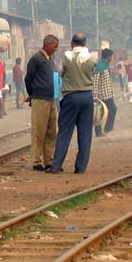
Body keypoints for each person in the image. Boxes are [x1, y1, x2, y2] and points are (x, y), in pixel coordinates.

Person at [47, 33, 97, 174]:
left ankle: (56, 165)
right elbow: (91, 71)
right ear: (85, 43)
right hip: (87, 97)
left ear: (72, 43)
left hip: (71, 97)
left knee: (64, 132)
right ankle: (80, 167)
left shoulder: (66, 58)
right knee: (85, 133)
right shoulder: (92, 59)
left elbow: (62, 72)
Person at [24, 35, 60, 171]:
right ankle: (36, 161)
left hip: (51, 99)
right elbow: (28, 78)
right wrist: (31, 94)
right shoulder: (36, 59)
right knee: (39, 131)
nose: (56, 49)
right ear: (48, 44)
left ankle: (49, 160)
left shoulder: (50, 60)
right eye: (55, 46)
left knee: (51, 132)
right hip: (40, 99)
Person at [93, 48, 117, 137]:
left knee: (111, 110)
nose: (112, 58)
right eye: (111, 56)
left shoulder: (106, 66)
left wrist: (112, 93)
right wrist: (95, 95)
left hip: (107, 94)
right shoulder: (99, 67)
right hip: (101, 95)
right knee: (99, 113)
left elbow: (108, 82)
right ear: (108, 57)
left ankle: (106, 129)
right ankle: (102, 131)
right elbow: (95, 82)